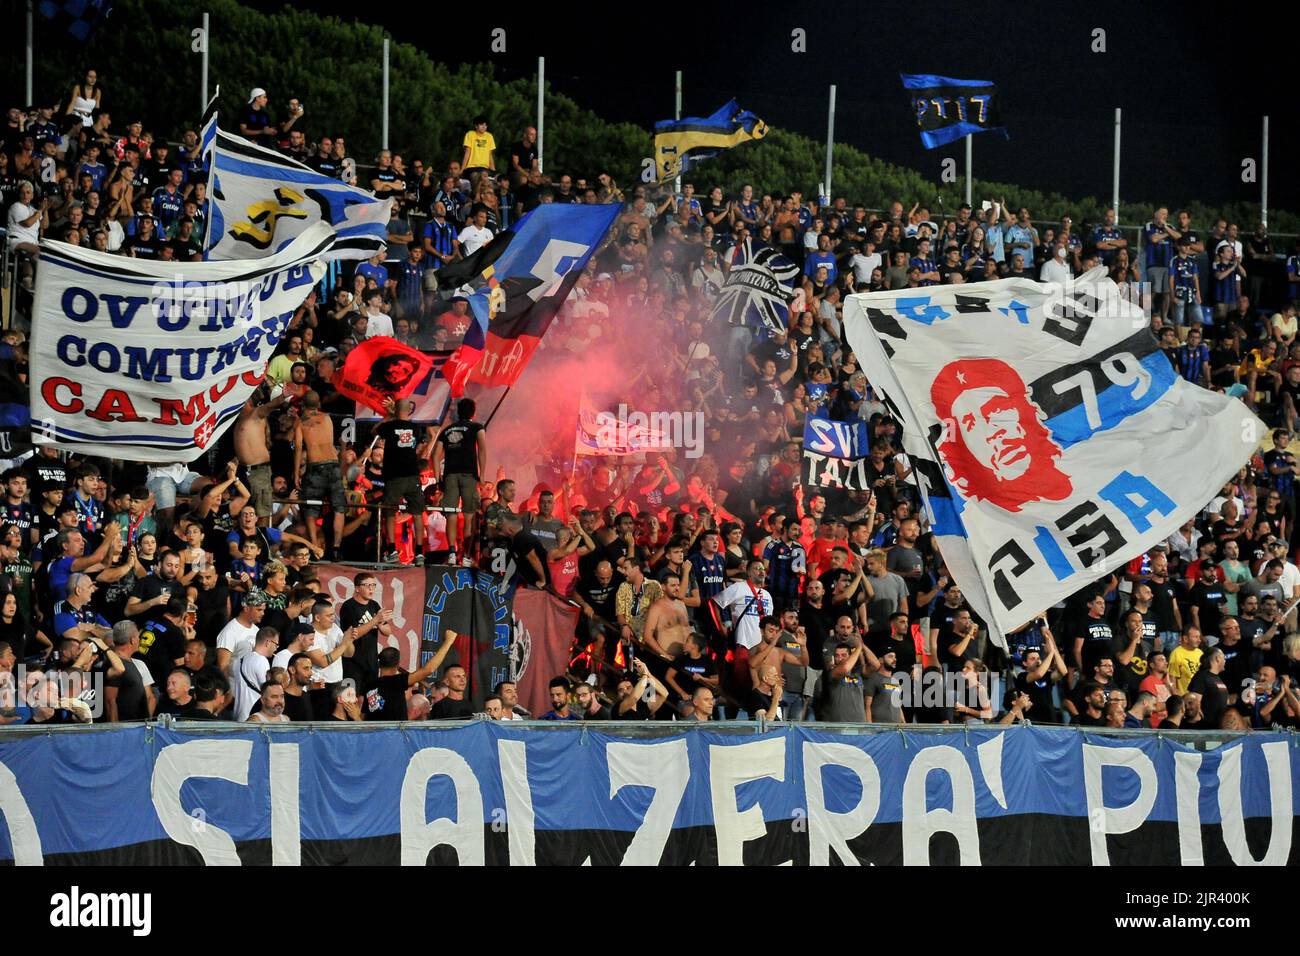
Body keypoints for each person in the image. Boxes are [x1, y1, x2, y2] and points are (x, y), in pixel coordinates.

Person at [432, 398, 486, 564]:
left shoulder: (447, 430)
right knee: (469, 516)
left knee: (451, 515)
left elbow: (435, 456)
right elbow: (482, 451)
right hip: (469, 475)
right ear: (473, 412)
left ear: (458, 412)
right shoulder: (477, 427)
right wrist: (482, 475)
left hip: (450, 476)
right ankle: (467, 556)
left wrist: (437, 477)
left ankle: (452, 553)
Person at [374, 398, 428, 564]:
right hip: (412, 475)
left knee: (390, 511)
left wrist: (388, 416)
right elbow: (422, 444)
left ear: (396, 410)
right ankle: (419, 553)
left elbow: (374, 431)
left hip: (394, 476)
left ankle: (392, 551)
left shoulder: (389, 426)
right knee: (418, 512)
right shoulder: (416, 428)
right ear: (409, 411)